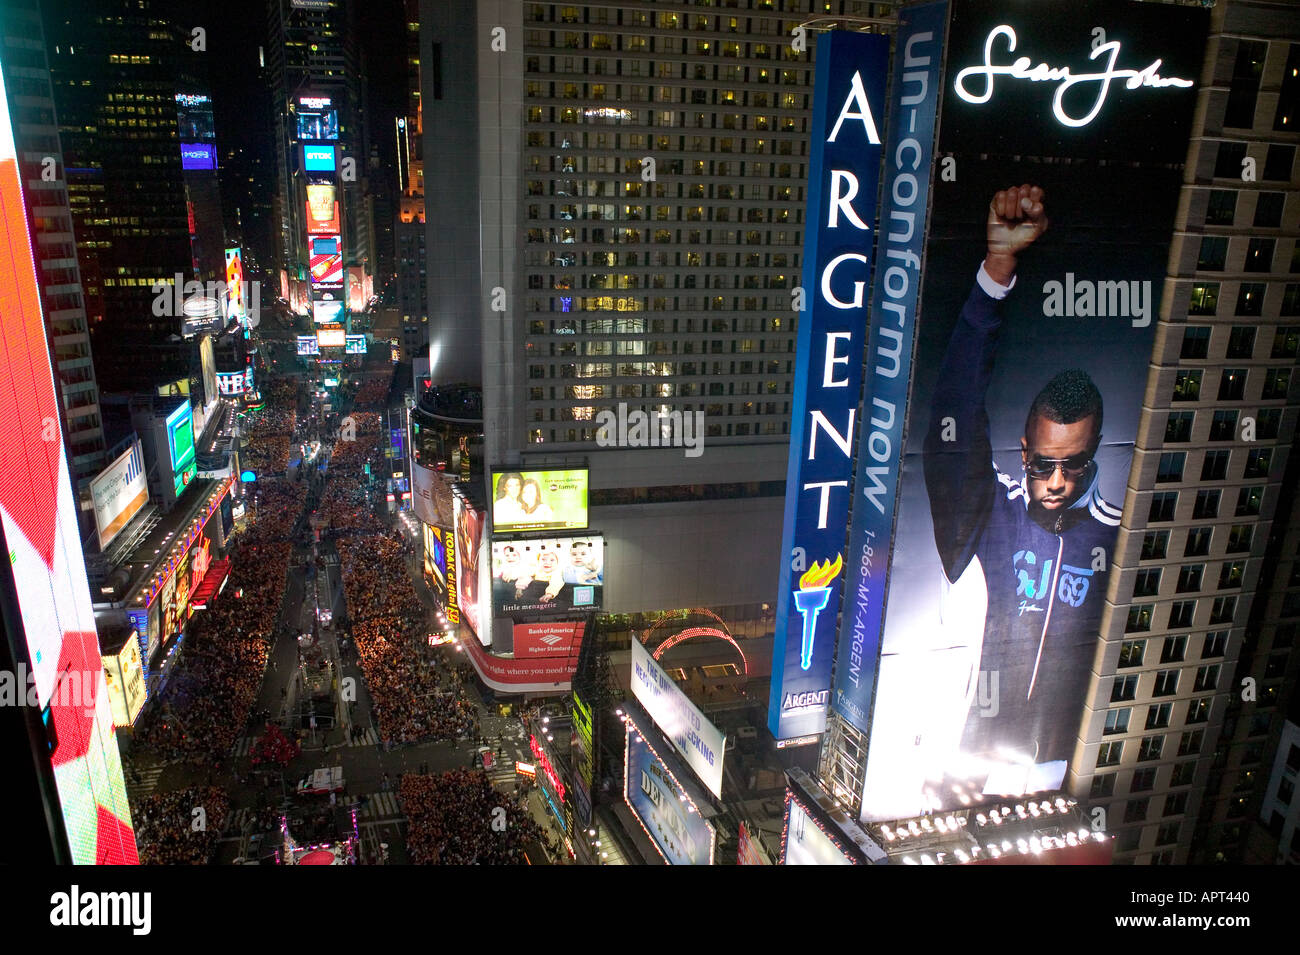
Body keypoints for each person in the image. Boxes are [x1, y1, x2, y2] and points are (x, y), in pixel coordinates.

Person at [924, 184, 1120, 779]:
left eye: (1074, 465)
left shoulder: (1117, 535)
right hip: (967, 776)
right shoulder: (994, 516)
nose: (1057, 482)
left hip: (1068, 780)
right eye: (1043, 464)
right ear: (1025, 449)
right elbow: (954, 412)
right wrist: (996, 271)